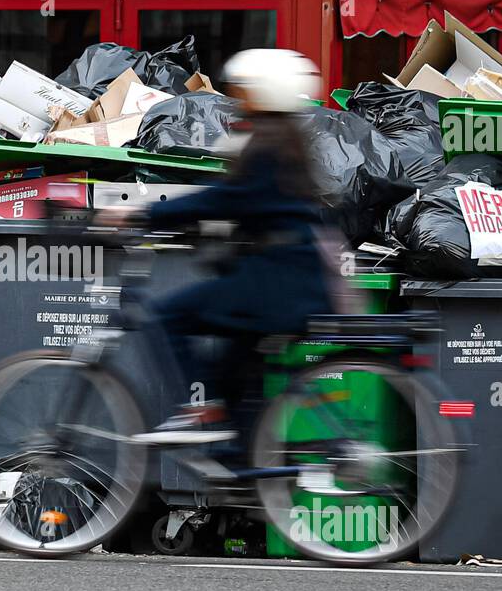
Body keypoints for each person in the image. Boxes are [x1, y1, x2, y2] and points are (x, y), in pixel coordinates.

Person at [101, 49, 336, 446]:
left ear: (266, 94)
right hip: (285, 280)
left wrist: (142, 216)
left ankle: (199, 404)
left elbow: (223, 200)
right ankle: (242, 479)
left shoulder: (267, 147)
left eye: (244, 92)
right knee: (242, 390)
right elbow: (243, 206)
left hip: (274, 285)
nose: (236, 99)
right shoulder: (282, 141)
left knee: (167, 315)